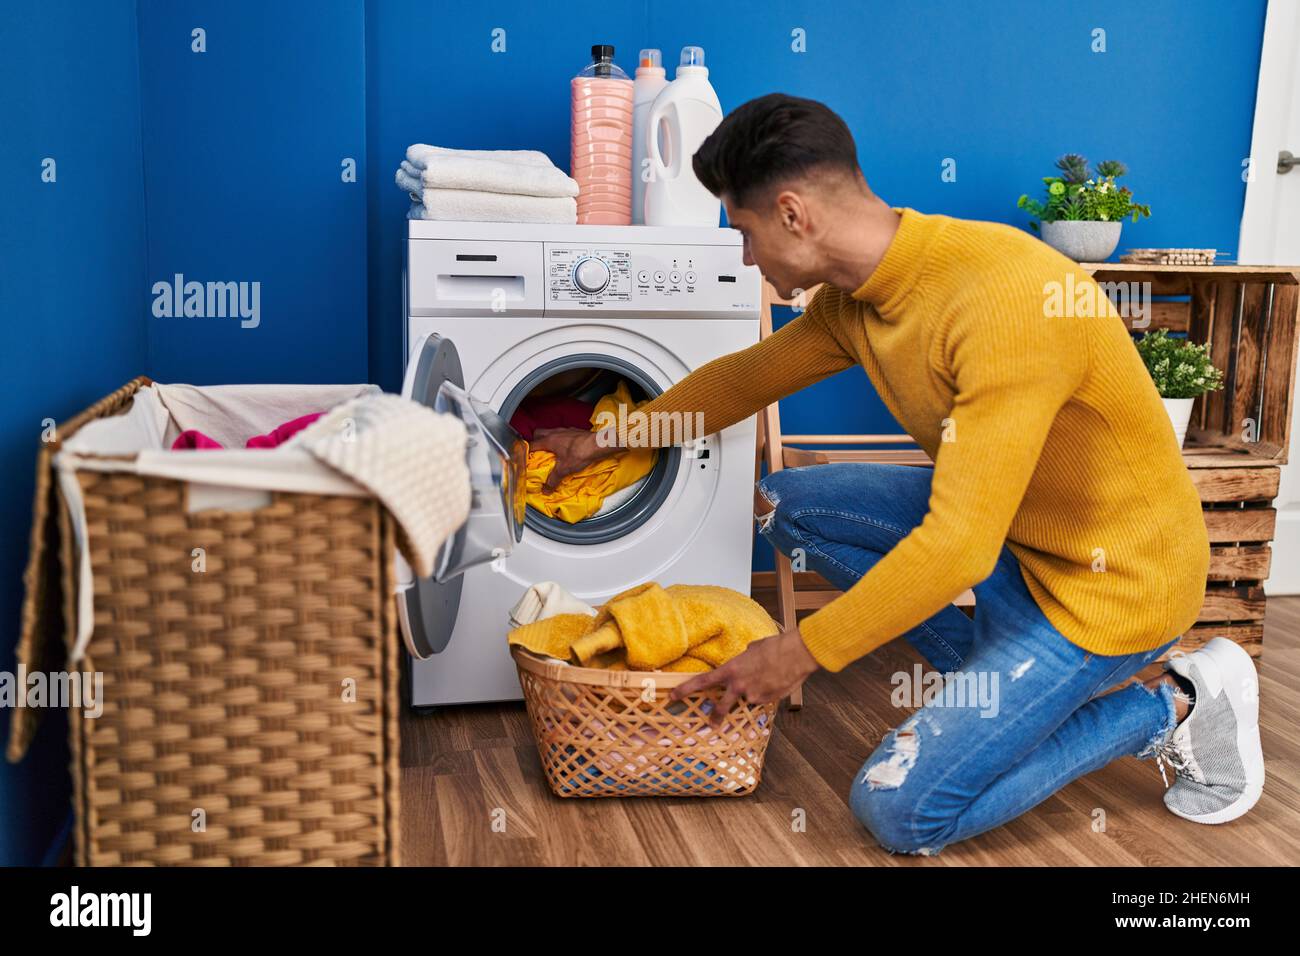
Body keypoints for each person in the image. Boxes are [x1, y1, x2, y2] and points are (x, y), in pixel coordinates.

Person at [530, 93, 1265, 854]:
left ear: (792, 214)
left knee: (901, 812)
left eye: (744, 232)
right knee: (786, 505)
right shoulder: (857, 298)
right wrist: (606, 438)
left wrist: (799, 651)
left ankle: (1178, 699)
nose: (745, 257)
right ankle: (1004, 681)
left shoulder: (1006, 302)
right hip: (1019, 543)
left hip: (1113, 590)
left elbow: (957, 551)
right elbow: (749, 378)